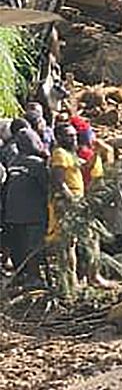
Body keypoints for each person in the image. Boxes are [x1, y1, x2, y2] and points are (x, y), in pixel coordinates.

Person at [3, 120, 49, 287]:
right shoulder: (36, 164)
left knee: (20, 247)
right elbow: (47, 187)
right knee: (34, 247)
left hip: (13, 214)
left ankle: (23, 275)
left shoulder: (14, 163)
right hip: (33, 214)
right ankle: (35, 278)